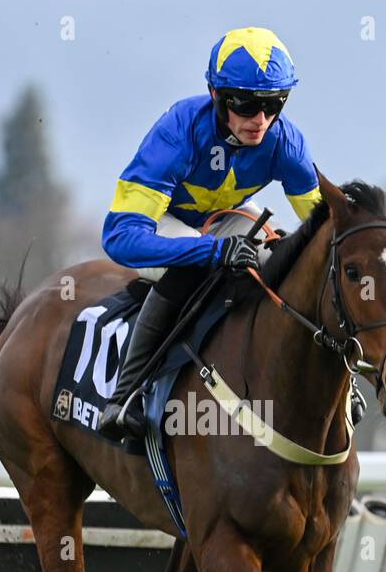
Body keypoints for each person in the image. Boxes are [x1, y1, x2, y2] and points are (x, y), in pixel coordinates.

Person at [97, 26, 323, 441]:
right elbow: (120, 237)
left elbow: (327, 229)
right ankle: (124, 398)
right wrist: (212, 251)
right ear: (217, 96)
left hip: (223, 218)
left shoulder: (285, 141)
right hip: (163, 222)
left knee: (284, 262)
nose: (261, 121)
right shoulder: (179, 131)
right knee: (196, 269)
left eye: (274, 105)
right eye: (247, 105)